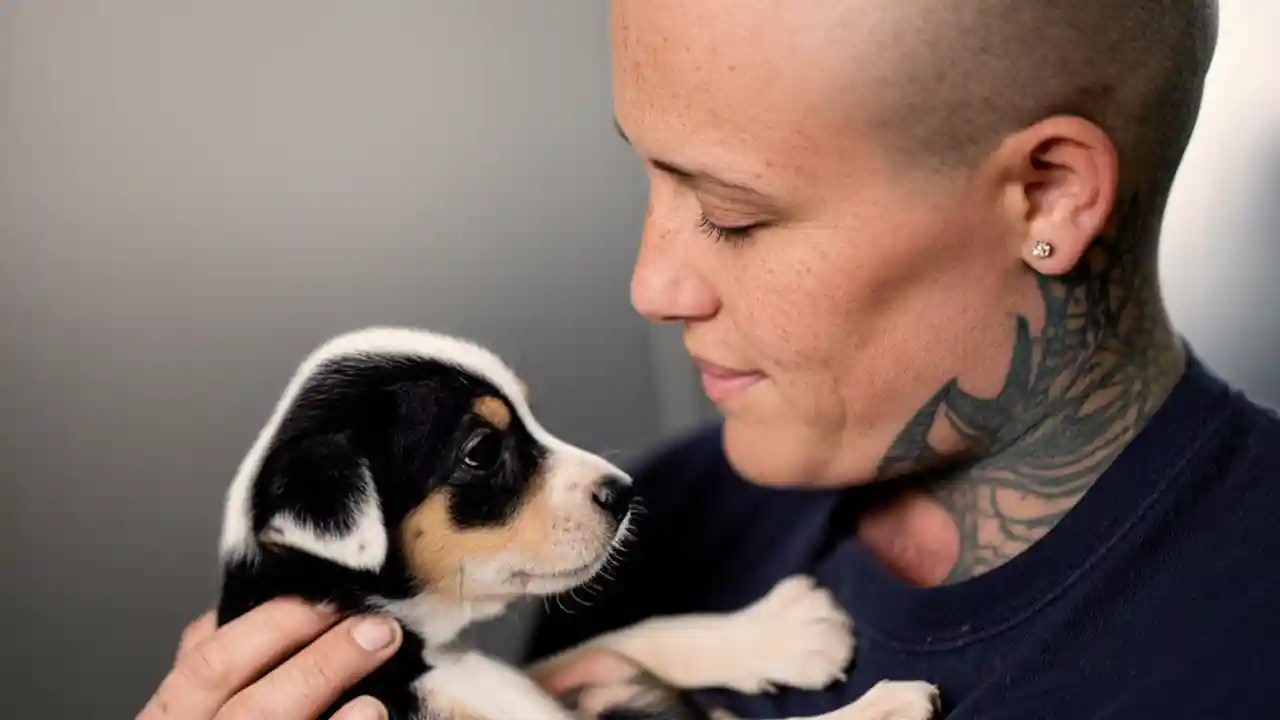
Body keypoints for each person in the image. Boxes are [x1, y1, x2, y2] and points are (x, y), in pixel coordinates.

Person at [141, 0, 1280, 718]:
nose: (652, 285)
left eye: (732, 214)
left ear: (1047, 195)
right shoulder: (652, 531)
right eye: (647, 174)